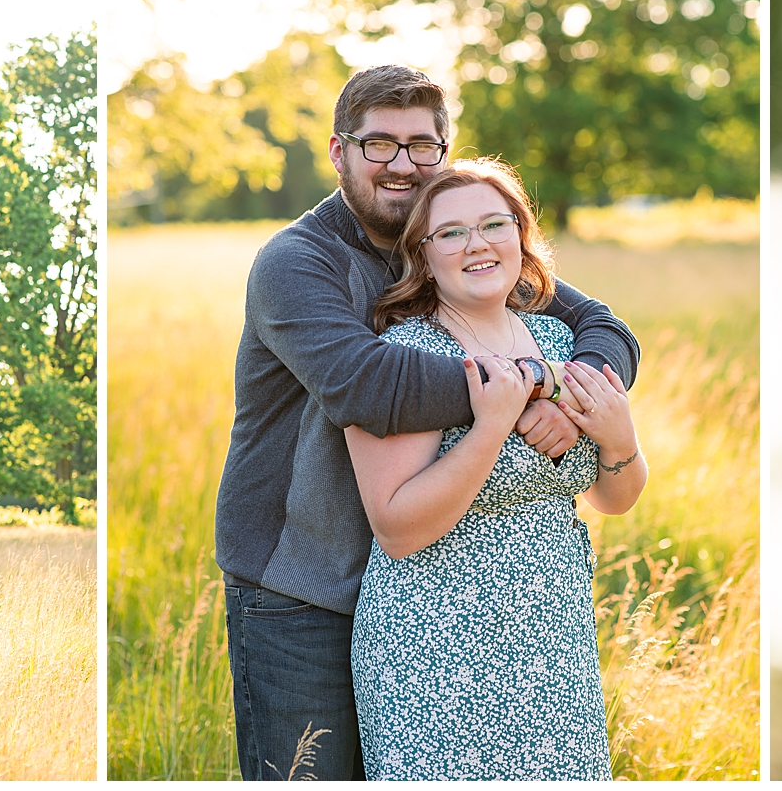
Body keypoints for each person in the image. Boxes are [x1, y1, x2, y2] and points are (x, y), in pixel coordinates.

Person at [215, 64, 640, 780]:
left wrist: (572, 396)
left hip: (429, 587)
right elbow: (370, 387)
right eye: (379, 144)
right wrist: (532, 390)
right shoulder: (297, 262)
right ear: (339, 151)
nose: (402, 164)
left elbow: (601, 326)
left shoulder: (460, 240)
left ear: (444, 150)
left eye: (422, 145)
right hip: (300, 583)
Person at [347, 158, 646, 780]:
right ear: (424, 256)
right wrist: (489, 427)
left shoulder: (560, 344)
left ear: (521, 235)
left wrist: (619, 437)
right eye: (451, 232)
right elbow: (396, 529)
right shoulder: (405, 358)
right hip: (434, 648)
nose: (477, 243)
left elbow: (614, 497)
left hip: (553, 643)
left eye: (494, 224)